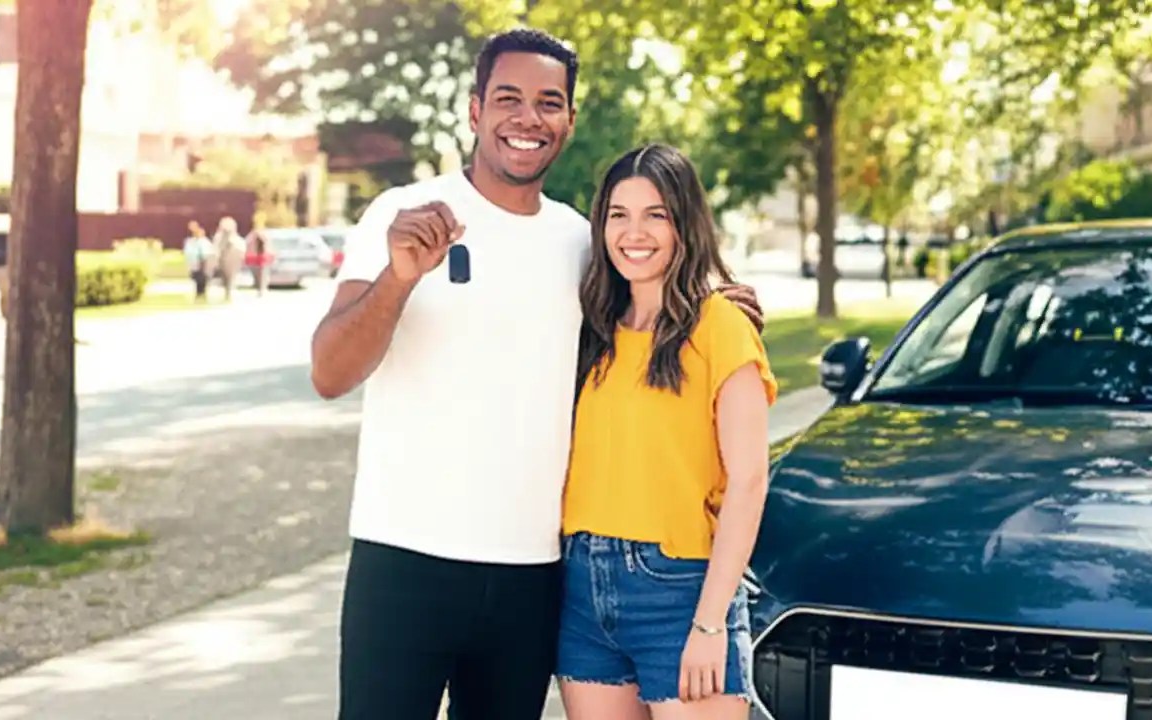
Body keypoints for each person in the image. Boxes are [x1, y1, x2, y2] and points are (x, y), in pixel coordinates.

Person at [309, 27, 763, 720]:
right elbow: (331, 372)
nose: (529, 118)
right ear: (474, 110)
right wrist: (400, 277)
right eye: (508, 98)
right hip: (403, 561)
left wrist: (710, 308)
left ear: (570, 120)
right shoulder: (400, 216)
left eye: (549, 102)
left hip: (532, 575)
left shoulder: (583, 243)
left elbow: (649, 300)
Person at [557, 144, 776, 719]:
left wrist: (709, 622)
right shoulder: (590, 332)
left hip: (680, 591)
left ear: (685, 224)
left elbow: (751, 481)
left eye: (656, 214)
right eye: (618, 214)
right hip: (581, 589)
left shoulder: (722, 326)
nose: (635, 232)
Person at [213, 216, 245, 301]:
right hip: (223, 259)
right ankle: (227, 292)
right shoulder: (218, 237)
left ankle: (229, 292)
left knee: (231, 276)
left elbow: (241, 249)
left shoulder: (236, 239)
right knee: (224, 277)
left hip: (233, 258)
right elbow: (216, 249)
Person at [182, 221, 215, 302]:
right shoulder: (190, 241)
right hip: (194, 264)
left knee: (202, 280)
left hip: (202, 263)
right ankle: (199, 294)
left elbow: (206, 253)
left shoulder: (203, 242)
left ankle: (202, 294)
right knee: (197, 280)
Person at [245, 213, 271, 297]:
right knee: (257, 273)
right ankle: (259, 287)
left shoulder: (264, 233)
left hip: (262, 257)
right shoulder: (252, 234)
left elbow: (267, 243)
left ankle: (262, 288)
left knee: (263, 273)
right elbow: (248, 243)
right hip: (255, 257)